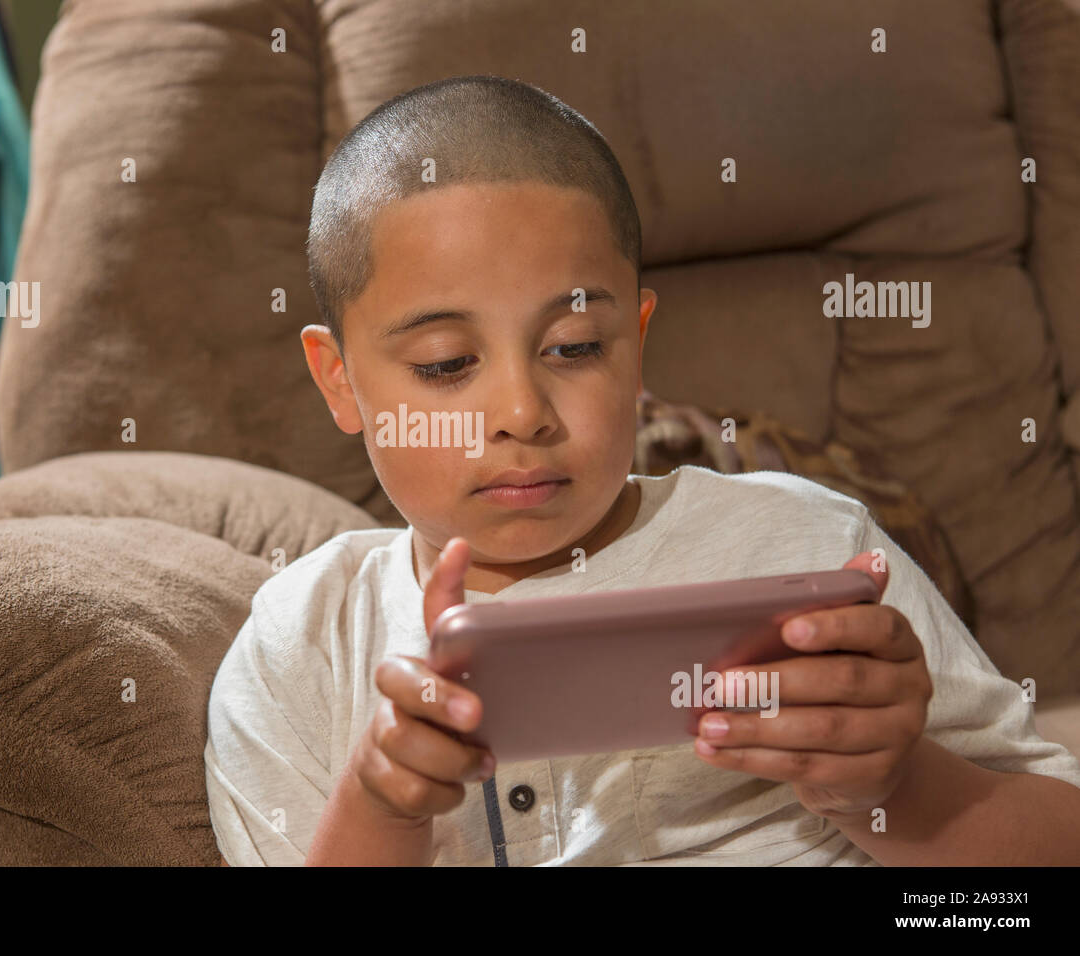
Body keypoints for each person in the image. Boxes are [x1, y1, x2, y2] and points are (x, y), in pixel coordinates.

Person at [205, 75, 1080, 866]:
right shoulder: (303, 646)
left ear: (636, 342)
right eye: (446, 364)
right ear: (340, 381)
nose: (522, 412)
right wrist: (383, 807)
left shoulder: (808, 550)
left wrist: (897, 788)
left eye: (575, 347)